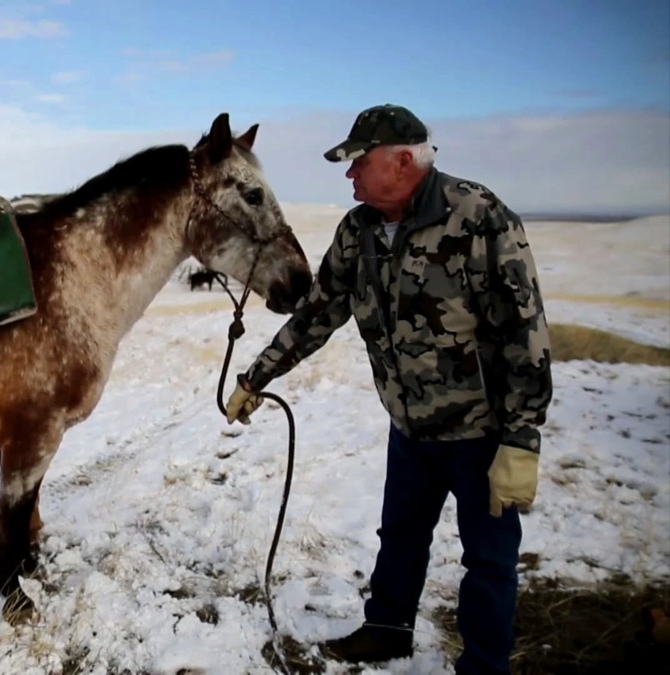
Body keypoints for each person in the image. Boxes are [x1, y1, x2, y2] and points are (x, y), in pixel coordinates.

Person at [224, 104, 553, 674]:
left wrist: (522, 438)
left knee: (489, 562)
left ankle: (484, 666)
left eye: (358, 163)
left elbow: (523, 331)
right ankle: (388, 630)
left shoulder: (480, 217)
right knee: (400, 535)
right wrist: (258, 376)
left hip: (481, 433)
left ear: (404, 161)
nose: (349, 176)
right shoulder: (359, 230)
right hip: (409, 427)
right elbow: (319, 312)